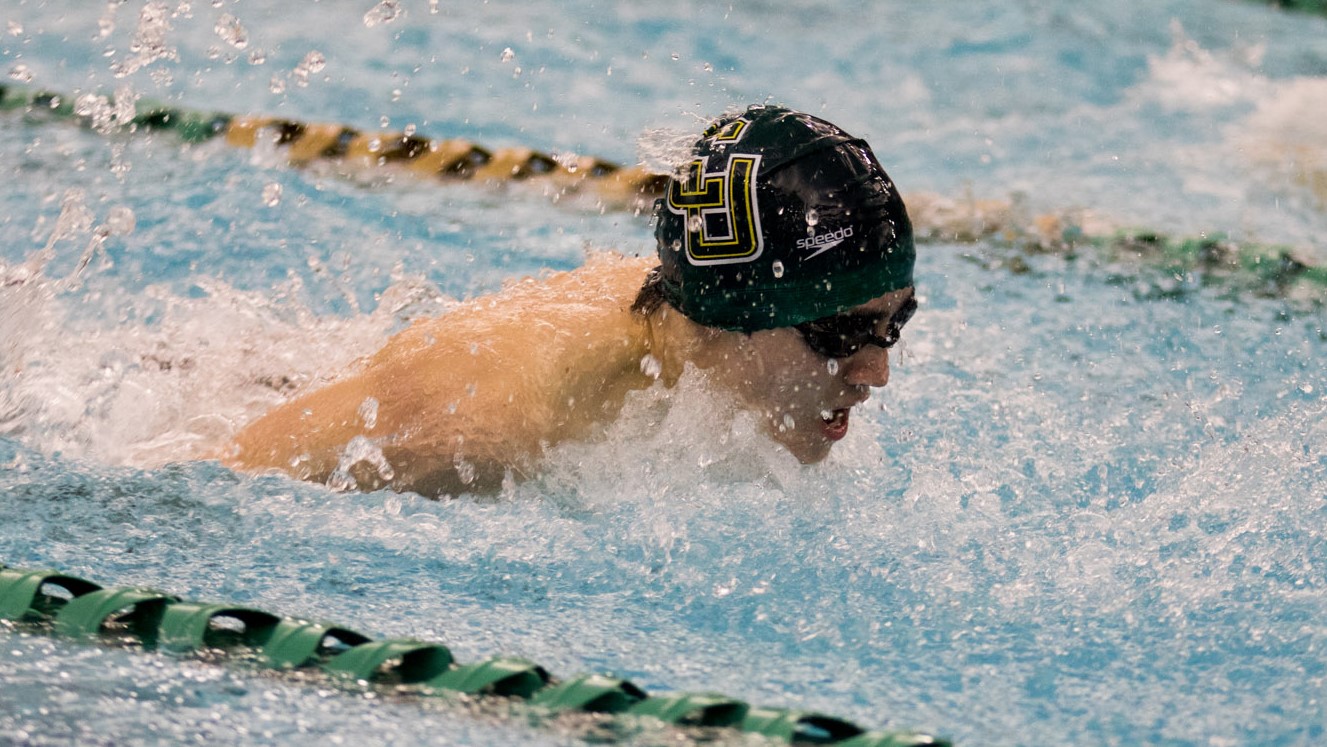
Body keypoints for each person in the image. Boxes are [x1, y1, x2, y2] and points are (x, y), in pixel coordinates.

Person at [222, 105, 917, 497]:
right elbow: (217, 478)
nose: (873, 373)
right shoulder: (488, 424)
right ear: (728, 313)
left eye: (893, 325)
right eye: (837, 334)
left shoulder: (687, 332)